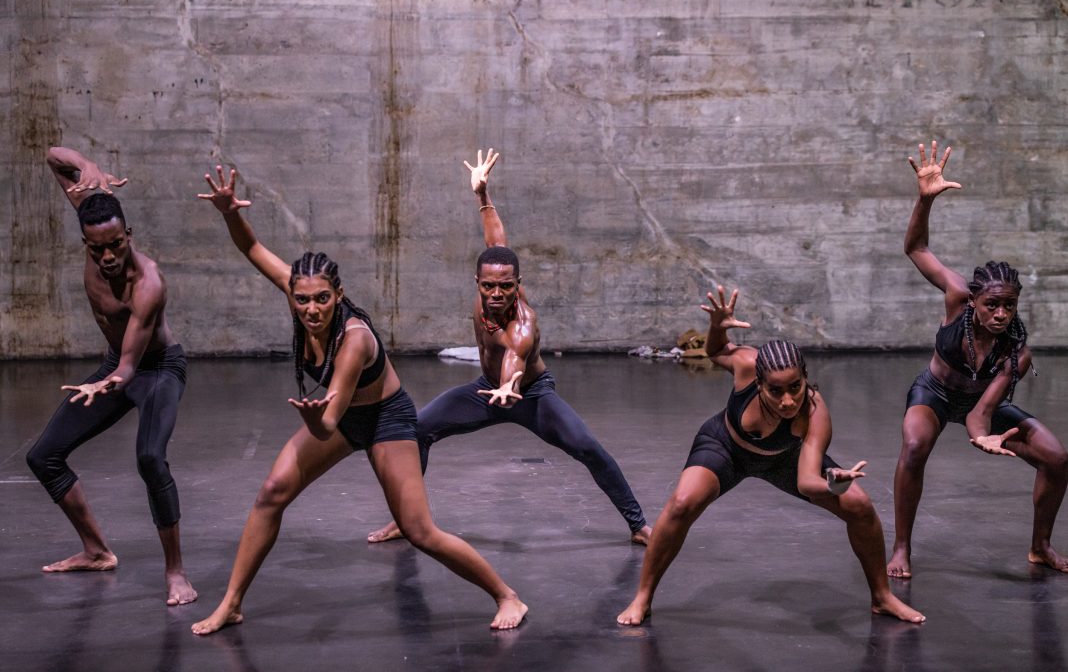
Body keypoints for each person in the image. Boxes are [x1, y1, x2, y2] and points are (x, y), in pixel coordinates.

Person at [190, 167, 526, 635]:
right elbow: (251, 249)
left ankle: (507, 596)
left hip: (385, 419)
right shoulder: (299, 293)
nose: (311, 310)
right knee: (271, 493)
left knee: (418, 530)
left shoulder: (354, 340)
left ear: (338, 295)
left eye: (322, 300)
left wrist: (315, 421)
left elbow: (328, 423)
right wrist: (230, 215)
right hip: (340, 415)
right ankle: (231, 603)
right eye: (303, 300)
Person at [367, 149, 651, 545]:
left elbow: (516, 357)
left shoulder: (522, 323)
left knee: (589, 449)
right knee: (418, 432)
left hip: (530, 395)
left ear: (518, 284)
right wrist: (482, 195)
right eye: (489, 286)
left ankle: (638, 526)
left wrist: (509, 385)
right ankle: (406, 518)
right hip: (485, 389)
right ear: (477, 281)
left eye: (506, 286)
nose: (497, 293)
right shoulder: (493, 272)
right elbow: (496, 241)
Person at [617, 286, 925, 625]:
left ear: (805, 378)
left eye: (795, 387)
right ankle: (643, 597)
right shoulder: (748, 365)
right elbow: (717, 350)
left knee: (860, 506)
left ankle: (882, 597)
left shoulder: (814, 412)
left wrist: (834, 486)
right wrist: (718, 326)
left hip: (784, 459)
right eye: (775, 391)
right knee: (681, 503)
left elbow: (808, 481)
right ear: (760, 383)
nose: (788, 400)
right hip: (727, 447)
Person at [887, 141, 1068, 578]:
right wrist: (924, 201)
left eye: (1009, 306)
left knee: (1057, 458)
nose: (1000, 314)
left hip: (976, 401)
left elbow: (981, 413)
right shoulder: (956, 297)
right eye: (992, 305)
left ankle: (1040, 546)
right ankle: (901, 547)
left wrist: (983, 435)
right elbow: (916, 248)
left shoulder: (1015, 354)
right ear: (976, 300)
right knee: (913, 447)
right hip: (935, 392)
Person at [26, 146, 197, 605]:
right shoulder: (94, 210)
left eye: (115, 245)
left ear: (129, 234)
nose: (106, 256)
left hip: (156, 368)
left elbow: (128, 365)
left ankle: (176, 572)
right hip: (113, 365)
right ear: (86, 240)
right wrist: (89, 169)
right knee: (44, 456)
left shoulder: (149, 283)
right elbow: (52, 156)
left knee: (150, 458)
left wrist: (110, 380)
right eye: (96, 248)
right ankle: (97, 551)